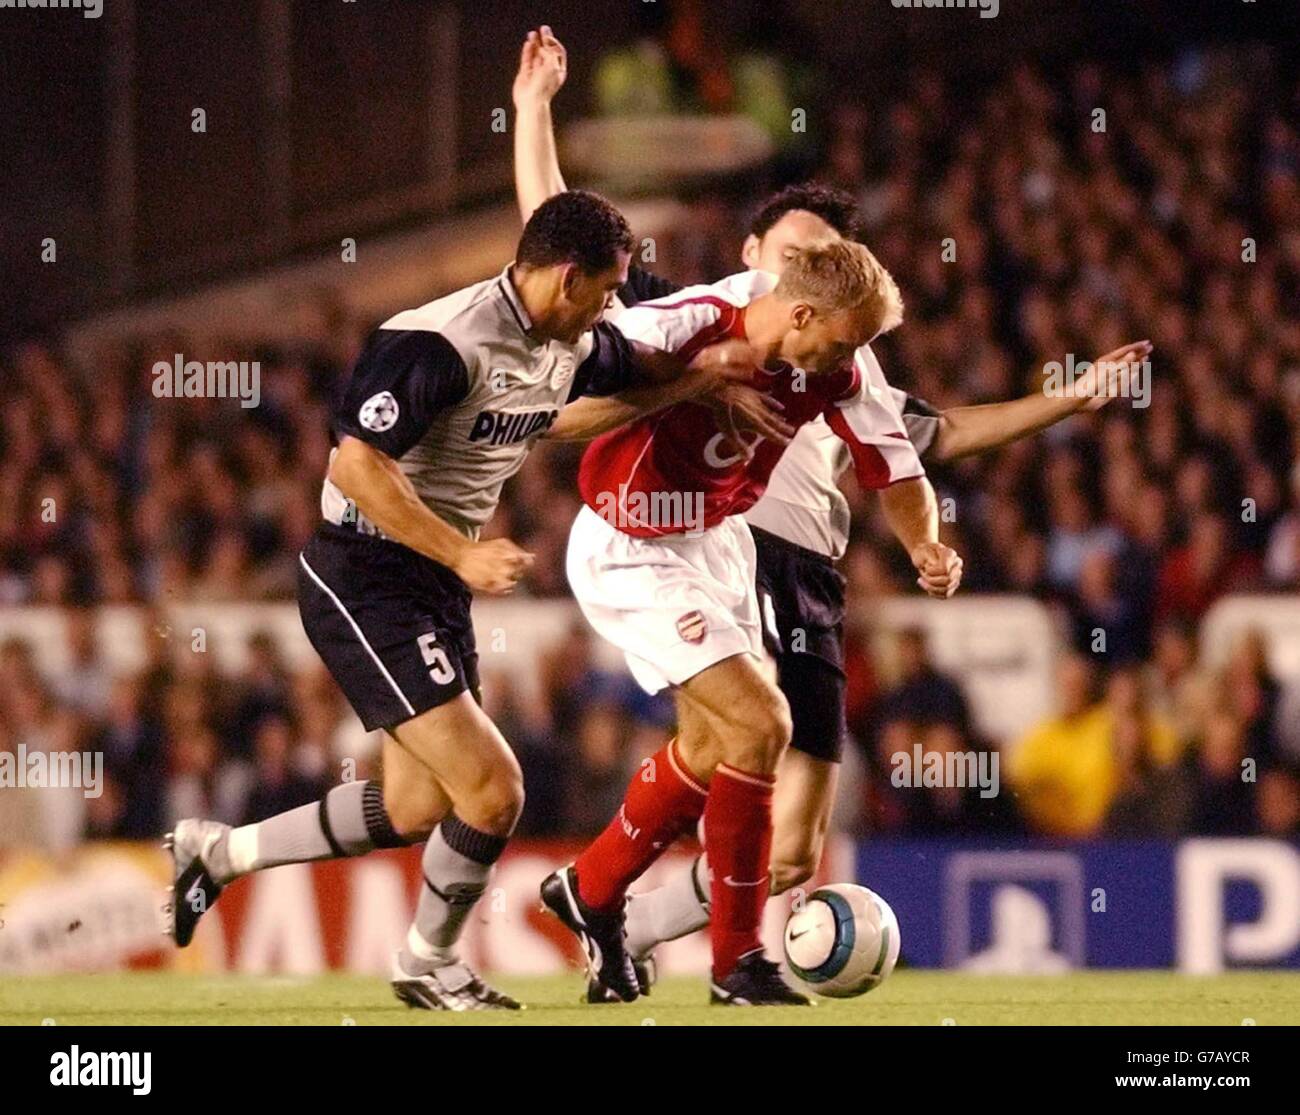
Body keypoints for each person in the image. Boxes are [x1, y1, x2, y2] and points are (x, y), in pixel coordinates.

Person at [513, 25, 1153, 1000]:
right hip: (630, 542)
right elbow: (557, 406)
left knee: (721, 746)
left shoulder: (842, 361)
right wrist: (686, 387)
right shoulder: (689, 323)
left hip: (720, 545)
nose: (845, 369)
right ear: (794, 304)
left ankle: (594, 891)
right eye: (838, 346)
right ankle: (735, 962)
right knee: (756, 726)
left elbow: (898, 467)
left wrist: (927, 543)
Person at [164, 187, 786, 1011]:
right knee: (494, 788)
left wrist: (705, 374)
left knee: (419, 802)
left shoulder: (570, 339)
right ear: (566, 281)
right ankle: (428, 960)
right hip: (366, 569)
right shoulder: (440, 340)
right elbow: (355, 466)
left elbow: (639, 372)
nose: (612, 307)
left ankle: (219, 853)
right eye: (604, 290)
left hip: (428, 581)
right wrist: (461, 550)